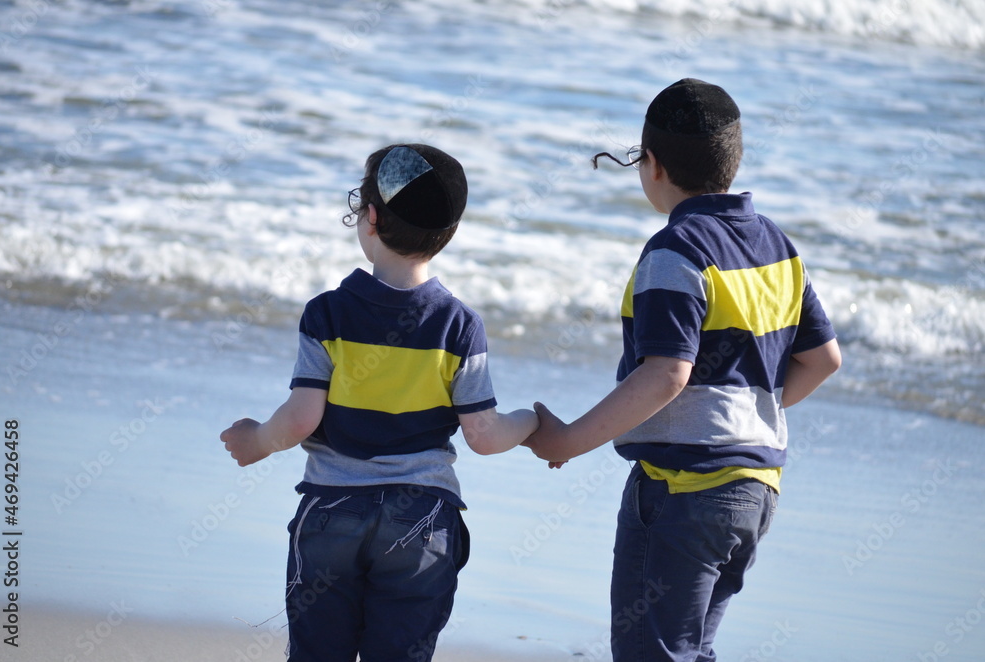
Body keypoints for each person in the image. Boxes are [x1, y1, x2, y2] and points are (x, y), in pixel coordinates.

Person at [523, 79, 842, 661]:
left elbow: (667, 373)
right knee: (689, 648)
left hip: (685, 491)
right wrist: (743, 411)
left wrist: (568, 439)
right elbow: (824, 359)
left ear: (653, 166)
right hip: (755, 491)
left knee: (653, 650)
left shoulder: (675, 250)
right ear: (733, 159)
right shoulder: (777, 244)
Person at [220, 143, 538, 662]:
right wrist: (530, 421)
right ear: (449, 233)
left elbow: (301, 417)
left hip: (331, 511)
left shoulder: (327, 315)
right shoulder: (459, 327)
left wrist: (256, 439)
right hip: (421, 520)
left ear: (370, 217)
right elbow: (484, 435)